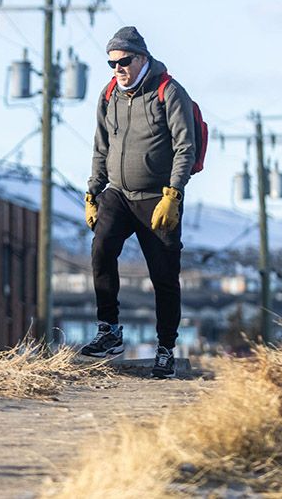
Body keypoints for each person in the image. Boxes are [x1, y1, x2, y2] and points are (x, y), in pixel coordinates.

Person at [79, 26, 196, 379]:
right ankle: (109, 331)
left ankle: (166, 349)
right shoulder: (109, 95)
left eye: (124, 61)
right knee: (101, 249)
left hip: (158, 198)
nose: (118, 68)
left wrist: (173, 193)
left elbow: (185, 147)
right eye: (112, 63)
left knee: (164, 276)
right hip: (118, 193)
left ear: (142, 58)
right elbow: (101, 147)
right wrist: (93, 192)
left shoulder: (169, 92)